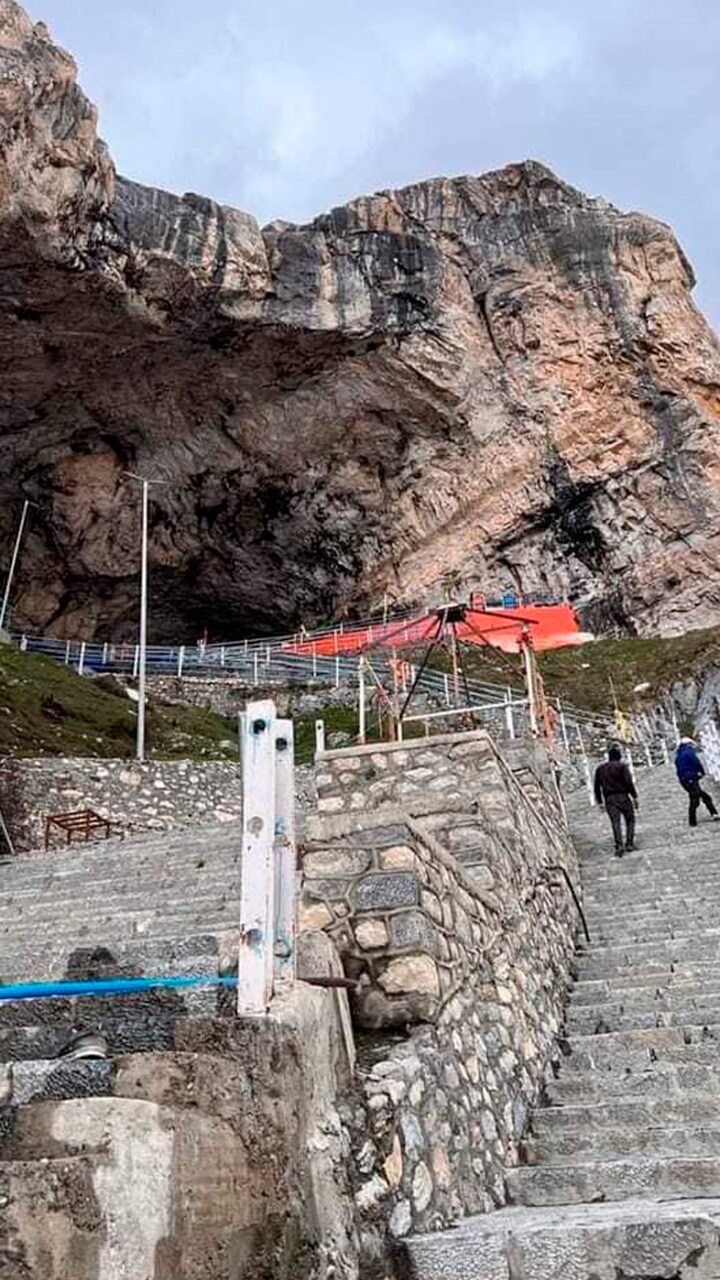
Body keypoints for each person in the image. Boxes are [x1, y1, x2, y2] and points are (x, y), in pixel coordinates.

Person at [594, 745, 638, 856]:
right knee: (630, 820)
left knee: (615, 822)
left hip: (609, 799)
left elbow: (596, 787)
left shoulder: (600, 769)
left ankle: (619, 845)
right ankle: (629, 843)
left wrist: (600, 802)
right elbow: (628, 782)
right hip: (623, 796)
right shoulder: (622, 767)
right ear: (619, 757)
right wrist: (634, 796)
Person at [675, 737, 719, 827]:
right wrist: (701, 772)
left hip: (684, 781)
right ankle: (692, 821)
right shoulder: (689, 753)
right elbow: (696, 763)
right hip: (691, 779)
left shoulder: (678, 755)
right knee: (695, 800)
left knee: (704, 796)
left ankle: (714, 813)